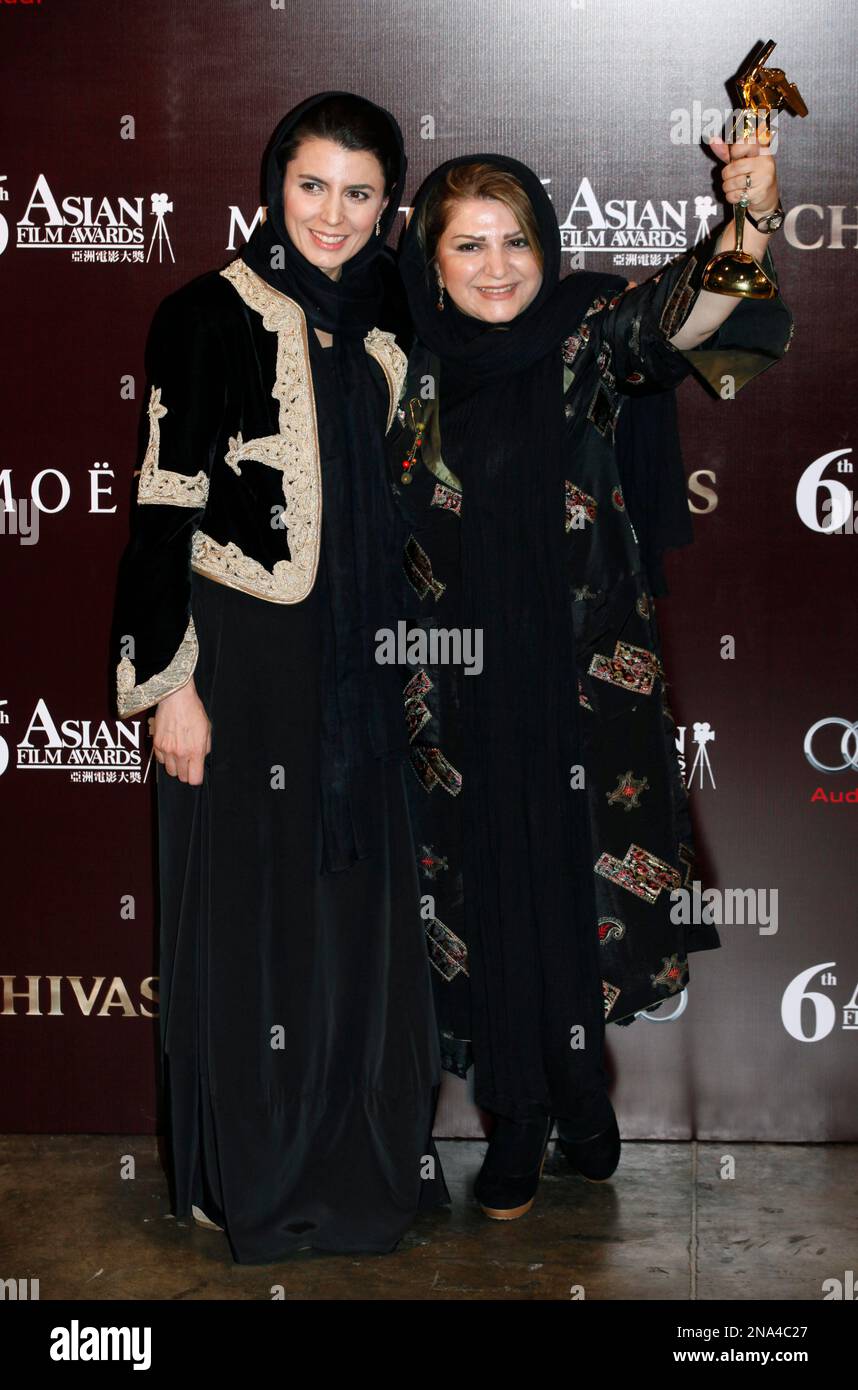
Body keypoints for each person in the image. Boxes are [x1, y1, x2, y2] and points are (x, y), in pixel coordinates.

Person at [388, 138, 793, 1219]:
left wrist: (749, 220)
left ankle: (583, 1091)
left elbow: (682, 317)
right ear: (429, 262)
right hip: (452, 698)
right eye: (467, 244)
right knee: (486, 899)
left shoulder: (582, 336)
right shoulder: (399, 372)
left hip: (585, 683)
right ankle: (518, 1113)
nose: (497, 264)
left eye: (515, 238)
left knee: (580, 882)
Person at [112, 91, 450, 1263]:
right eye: (313, 186)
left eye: (361, 193)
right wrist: (169, 685)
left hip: (364, 668)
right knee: (246, 923)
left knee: (355, 916)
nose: (335, 215)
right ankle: (237, 1166)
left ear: (389, 203)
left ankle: (357, 1152)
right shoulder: (202, 313)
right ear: (273, 185)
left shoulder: (403, 302)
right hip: (239, 662)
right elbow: (161, 514)